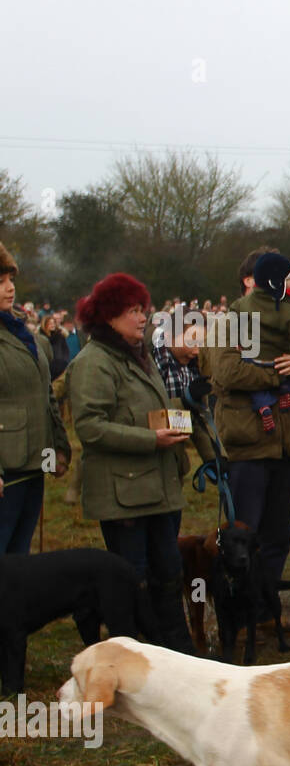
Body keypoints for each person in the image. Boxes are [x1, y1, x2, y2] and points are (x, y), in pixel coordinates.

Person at [202, 249, 290, 637]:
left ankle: (263, 610)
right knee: (242, 535)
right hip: (249, 444)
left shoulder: (289, 323)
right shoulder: (231, 322)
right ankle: (233, 616)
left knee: (278, 534)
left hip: (287, 443)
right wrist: (278, 374)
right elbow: (225, 373)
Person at [65, 273, 192, 651]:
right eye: (133, 310)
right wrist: (150, 440)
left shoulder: (140, 355)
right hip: (124, 494)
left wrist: (177, 422)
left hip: (158, 487)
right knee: (130, 577)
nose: (143, 318)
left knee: (169, 572)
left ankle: (175, 651)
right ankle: (129, 654)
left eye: (143, 309)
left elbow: (152, 407)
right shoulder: (94, 362)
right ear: (108, 315)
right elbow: (90, 427)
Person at [0, 242, 70, 554]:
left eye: (10, 280)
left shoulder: (22, 331)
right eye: (0, 282)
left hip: (33, 463)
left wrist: (58, 445)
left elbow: (46, 393)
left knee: (19, 563)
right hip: (6, 471)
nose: (9, 288)